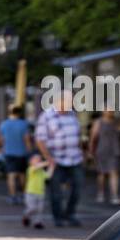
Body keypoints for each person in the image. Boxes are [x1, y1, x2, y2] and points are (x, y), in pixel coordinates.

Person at [35, 90, 84, 227]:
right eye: (69, 101)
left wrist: (81, 150)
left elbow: (77, 135)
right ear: (59, 101)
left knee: (78, 186)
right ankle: (58, 217)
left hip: (74, 158)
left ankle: (70, 213)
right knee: (56, 191)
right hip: (55, 160)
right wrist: (48, 158)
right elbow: (40, 140)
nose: (71, 104)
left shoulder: (72, 114)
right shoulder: (47, 116)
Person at [0, 105, 32, 204]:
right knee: (22, 175)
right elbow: (27, 139)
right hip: (21, 153)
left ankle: (12, 196)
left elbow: (0, 139)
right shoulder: (23, 124)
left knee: (11, 176)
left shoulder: (4, 124)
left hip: (8, 152)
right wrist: (30, 152)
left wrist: (1, 148)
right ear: (19, 113)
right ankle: (25, 196)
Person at [87, 108, 120, 205]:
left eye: (112, 110)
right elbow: (93, 137)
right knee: (102, 173)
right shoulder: (98, 122)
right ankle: (101, 192)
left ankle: (114, 195)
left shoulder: (117, 121)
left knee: (114, 172)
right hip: (102, 150)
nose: (110, 111)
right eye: (108, 110)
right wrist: (91, 151)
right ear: (103, 111)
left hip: (115, 150)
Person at [22, 153, 49, 229]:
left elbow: (48, 175)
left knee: (40, 209)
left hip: (40, 192)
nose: (39, 161)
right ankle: (26, 215)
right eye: (36, 160)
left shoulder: (41, 171)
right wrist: (48, 162)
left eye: (39, 160)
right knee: (32, 208)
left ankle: (38, 222)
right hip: (31, 192)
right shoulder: (30, 169)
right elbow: (36, 167)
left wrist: (52, 166)